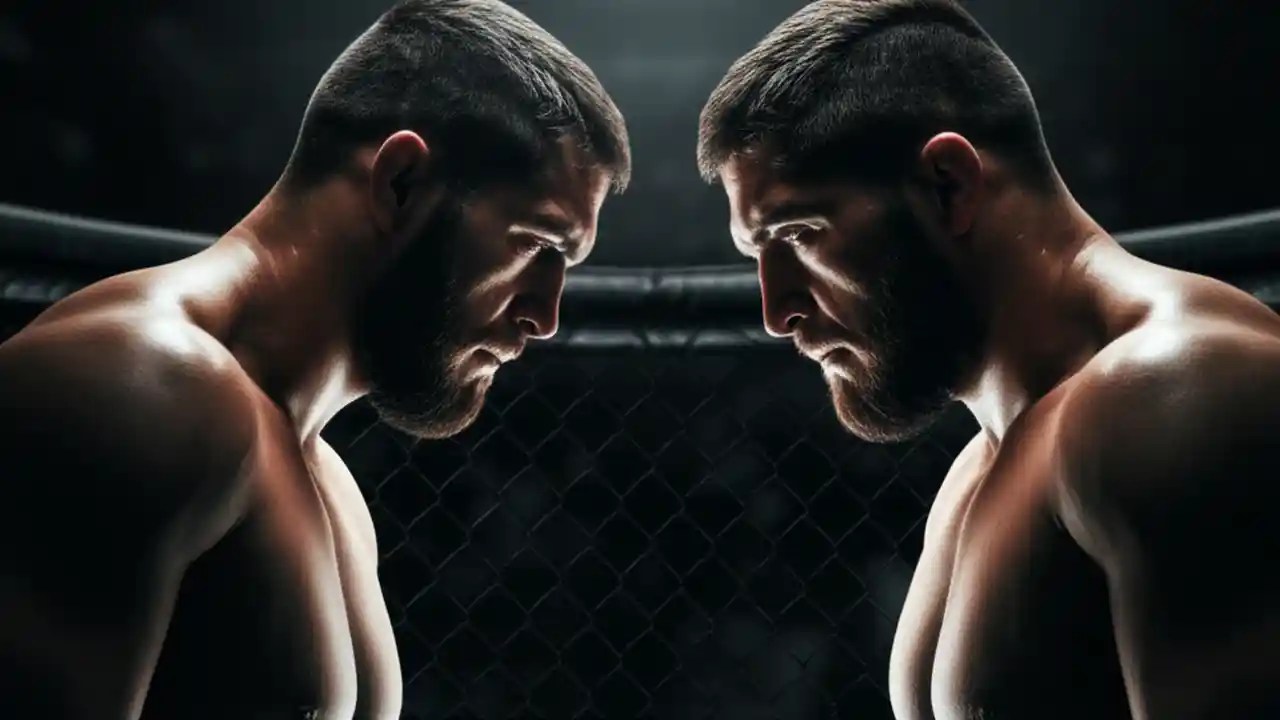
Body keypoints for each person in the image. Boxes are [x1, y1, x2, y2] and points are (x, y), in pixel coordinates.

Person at [0, 1, 629, 717]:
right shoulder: (136, 389)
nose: (544, 318)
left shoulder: (327, 486)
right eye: (539, 245)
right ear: (401, 183)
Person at [698, 1, 1280, 718]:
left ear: (949, 184)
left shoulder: (1175, 391)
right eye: (757, 256)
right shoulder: (983, 466)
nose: (776, 308)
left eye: (799, 233)